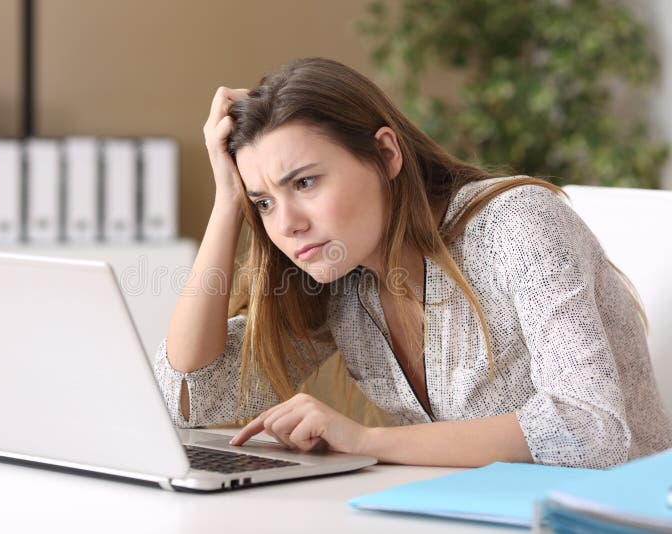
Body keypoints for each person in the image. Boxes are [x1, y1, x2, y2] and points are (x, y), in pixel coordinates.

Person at [153, 57, 672, 469]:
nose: (286, 223)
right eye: (263, 201)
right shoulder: (343, 280)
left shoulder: (516, 223)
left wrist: (367, 440)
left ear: (386, 154)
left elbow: (592, 427)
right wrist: (228, 203)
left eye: (305, 182)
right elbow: (196, 399)